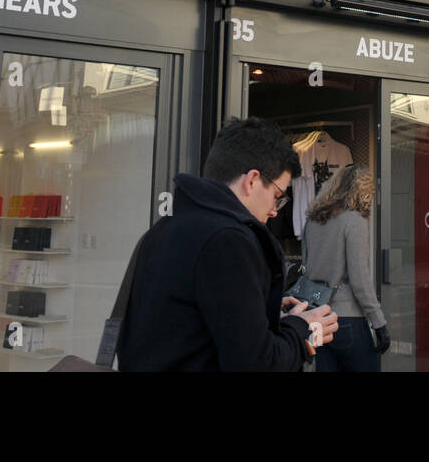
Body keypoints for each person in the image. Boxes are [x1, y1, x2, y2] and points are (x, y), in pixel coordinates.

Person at [117, 117, 339, 370]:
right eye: (277, 195)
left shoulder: (162, 230)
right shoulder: (229, 241)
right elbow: (256, 363)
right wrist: (305, 329)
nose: (275, 211)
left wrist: (260, 309)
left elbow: (185, 326)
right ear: (252, 180)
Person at [301, 165, 390, 371]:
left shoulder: (312, 221)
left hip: (318, 316)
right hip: (346, 318)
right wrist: (379, 323)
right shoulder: (354, 221)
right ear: (363, 192)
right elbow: (360, 282)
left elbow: (306, 268)